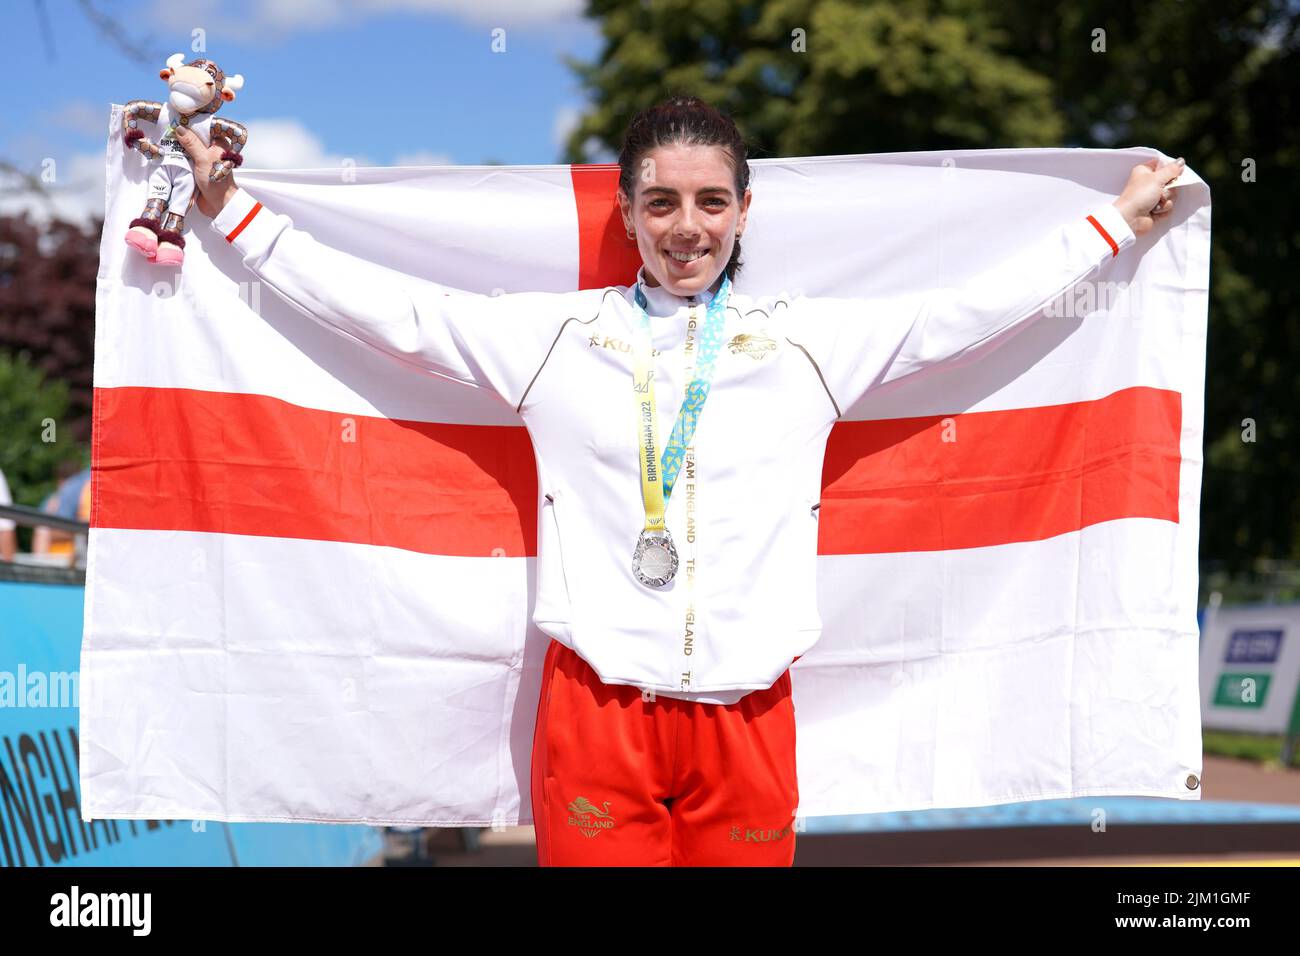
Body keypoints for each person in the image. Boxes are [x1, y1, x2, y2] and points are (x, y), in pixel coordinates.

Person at [176, 95, 1182, 867]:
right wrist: (230, 211)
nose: (687, 226)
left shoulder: (809, 340)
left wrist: (1116, 227)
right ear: (628, 211)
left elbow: (967, 312)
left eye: (710, 201)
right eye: (660, 201)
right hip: (595, 709)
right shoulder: (554, 337)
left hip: (749, 714)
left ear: (745, 210)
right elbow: (385, 311)